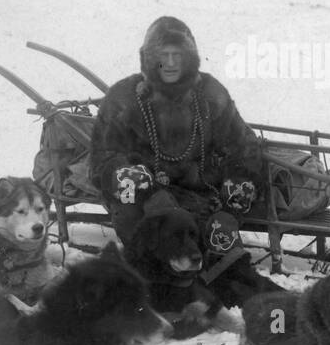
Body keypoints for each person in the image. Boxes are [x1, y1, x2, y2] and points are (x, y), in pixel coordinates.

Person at [89, 16, 266, 258]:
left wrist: (231, 209)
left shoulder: (210, 93)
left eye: (178, 55)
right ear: (150, 58)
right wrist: (141, 185)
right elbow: (103, 156)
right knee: (161, 255)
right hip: (143, 201)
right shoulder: (123, 97)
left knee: (219, 262)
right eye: (163, 55)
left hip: (202, 197)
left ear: (189, 59)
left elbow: (244, 147)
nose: (170, 63)